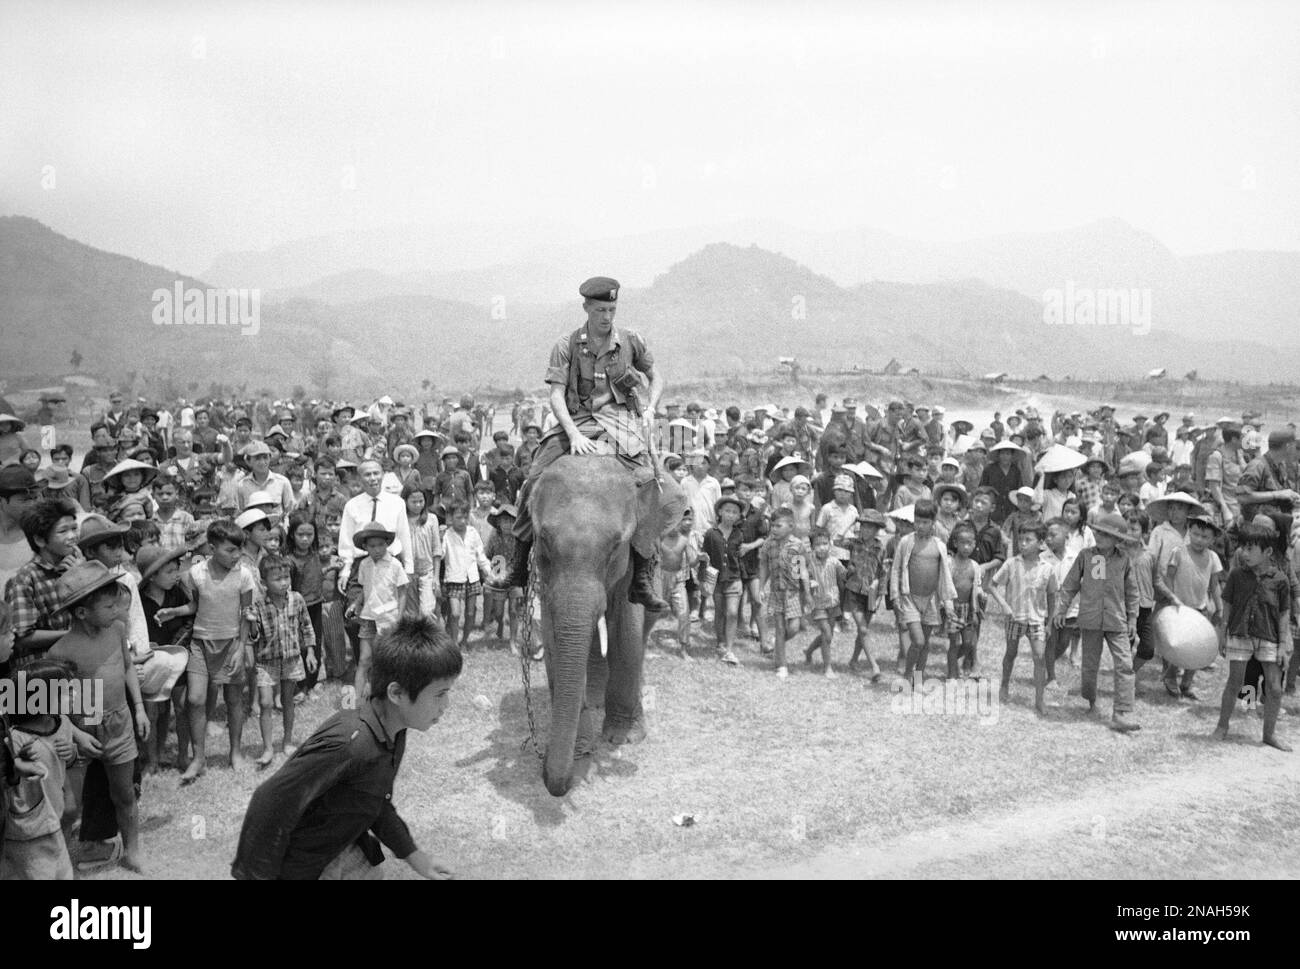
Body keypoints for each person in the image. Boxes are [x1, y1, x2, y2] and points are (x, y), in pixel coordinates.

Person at [490, 277, 682, 613]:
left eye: (611, 309)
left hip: (621, 427)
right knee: (533, 480)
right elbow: (555, 394)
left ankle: (641, 573)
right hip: (576, 424)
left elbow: (658, 376)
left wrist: (651, 408)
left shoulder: (631, 341)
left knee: (654, 484)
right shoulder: (566, 345)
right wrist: (574, 436)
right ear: (586, 309)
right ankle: (518, 567)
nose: (607, 316)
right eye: (600, 310)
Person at [232, 615, 458, 880]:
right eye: (440, 694)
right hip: (301, 865)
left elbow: (372, 802)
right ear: (396, 694)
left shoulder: (394, 731)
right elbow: (270, 800)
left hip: (342, 851)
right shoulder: (352, 742)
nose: (446, 705)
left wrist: (414, 856)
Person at [47, 561, 149, 873]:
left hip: (119, 721)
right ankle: (62, 864)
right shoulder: (61, 651)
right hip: (81, 725)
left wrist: (140, 708)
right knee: (70, 806)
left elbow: (128, 666)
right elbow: (53, 704)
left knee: (125, 795)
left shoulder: (117, 630)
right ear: (81, 613)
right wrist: (77, 735)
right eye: (109, 605)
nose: (119, 610)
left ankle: (132, 851)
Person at [178, 518, 258, 782]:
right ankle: (198, 758)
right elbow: (193, 607)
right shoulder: (196, 573)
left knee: (234, 700)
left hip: (231, 643)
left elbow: (247, 613)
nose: (236, 556)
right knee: (195, 699)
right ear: (212, 548)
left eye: (239, 550)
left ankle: (235, 752)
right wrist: (171, 612)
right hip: (200, 643)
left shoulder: (243, 575)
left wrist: (240, 648)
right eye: (230, 550)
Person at [1053, 511, 1141, 732]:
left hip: (1117, 621)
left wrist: (1132, 619)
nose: (1100, 537)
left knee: (1125, 665)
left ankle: (1120, 712)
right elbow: (1070, 585)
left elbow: (1132, 592)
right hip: (1091, 619)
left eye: (1107, 535)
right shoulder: (1088, 557)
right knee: (1090, 666)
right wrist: (1061, 609)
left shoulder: (1124, 561)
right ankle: (1091, 700)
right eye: (1098, 532)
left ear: (1117, 540)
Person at [1214, 523, 1291, 751]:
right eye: (1243, 547)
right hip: (1240, 633)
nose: (1244, 553)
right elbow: (1227, 603)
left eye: (1250, 548)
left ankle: (1269, 734)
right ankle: (1222, 726)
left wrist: (1283, 645)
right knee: (1234, 682)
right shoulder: (1237, 575)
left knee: (1275, 688)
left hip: (1269, 636)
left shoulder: (1281, 580)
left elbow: (1284, 612)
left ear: (1268, 552)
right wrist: (1223, 632)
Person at [250, 555, 316, 764]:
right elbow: (254, 636)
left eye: (286, 577)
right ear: (264, 583)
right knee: (266, 702)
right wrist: (251, 623)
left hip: (291, 659)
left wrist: (311, 652)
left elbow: (306, 625)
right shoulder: (259, 605)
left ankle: (287, 742)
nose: (284, 582)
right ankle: (268, 748)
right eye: (277, 579)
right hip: (266, 662)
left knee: (288, 701)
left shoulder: (297, 599)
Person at [5, 497, 80, 671]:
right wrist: (72, 634)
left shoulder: (77, 565)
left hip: (77, 662)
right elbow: (23, 637)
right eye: (63, 531)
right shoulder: (24, 579)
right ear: (40, 540)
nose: (72, 536)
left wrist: (82, 574)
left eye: (74, 528)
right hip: (42, 673)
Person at [988, 522, 1051, 715]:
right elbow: (991, 585)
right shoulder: (1011, 564)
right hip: (1015, 617)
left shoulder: (1047, 568)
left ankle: (1040, 699)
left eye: (1028, 540)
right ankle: (1004, 685)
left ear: (1041, 543)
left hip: (1037, 619)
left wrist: (1049, 622)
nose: (1023, 544)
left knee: (1040, 657)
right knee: (1011, 653)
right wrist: (1004, 606)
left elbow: (1053, 595)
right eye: (1020, 540)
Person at [890, 499, 955, 683]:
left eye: (925, 522)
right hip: (910, 597)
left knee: (925, 644)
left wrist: (948, 603)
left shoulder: (939, 545)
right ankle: (907, 673)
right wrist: (895, 594)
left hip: (931, 600)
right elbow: (896, 569)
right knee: (917, 641)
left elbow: (945, 576)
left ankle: (918, 678)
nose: (920, 525)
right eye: (917, 521)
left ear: (933, 522)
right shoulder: (906, 542)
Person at [345, 522, 409, 703]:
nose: (377, 549)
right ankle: (356, 701)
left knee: (385, 660)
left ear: (387, 544)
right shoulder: (364, 565)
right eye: (372, 546)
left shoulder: (395, 564)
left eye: (381, 545)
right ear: (365, 547)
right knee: (365, 659)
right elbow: (366, 589)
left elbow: (403, 591)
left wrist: (400, 618)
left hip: (388, 618)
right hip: (368, 616)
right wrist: (356, 605)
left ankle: (384, 697)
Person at [759, 507, 812, 680]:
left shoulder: (797, 545)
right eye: (772, 525)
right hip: (776, 592)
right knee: (780, 628)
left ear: (791, 526)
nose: (774, 529)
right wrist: (761, 587)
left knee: (794, 628)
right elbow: (765, 566)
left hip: (793, 593)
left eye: (778, 525)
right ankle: (781, 664)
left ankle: (776, 644)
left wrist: (808, 593)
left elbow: (802, 570)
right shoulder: (768, 544)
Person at [439, 503, 492, 648]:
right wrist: (438, 538)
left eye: (465, 517)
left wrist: (489, 572)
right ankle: (454, 642)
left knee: (470, 613)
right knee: (455, 613)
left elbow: (480, 555)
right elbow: (441, 554)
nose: (462, 521)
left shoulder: (473, 532)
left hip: (472, 577)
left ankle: (464, 640)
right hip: (454, 578)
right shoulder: (447, 535)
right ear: (450, 518)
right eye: (458, 517)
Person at [702, 496, 746, 664]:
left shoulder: (739, 534)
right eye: (727, 511)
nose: (730, 515)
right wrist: (704, 579)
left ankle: (729, 648)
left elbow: (740, 556)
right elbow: (705, 558)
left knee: (732, 613)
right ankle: (720, 642)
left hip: (734, 578)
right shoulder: (711, 534)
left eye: (735, 512)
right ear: (720, 512)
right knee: (720, 612)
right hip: (717, 579)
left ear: (738, 516)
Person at [843, 509, 886, 678]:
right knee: (863, 628)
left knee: (864, 630)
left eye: (870, 527)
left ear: (877, 530)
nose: (866, 530)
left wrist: (880, 595)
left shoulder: (880, 548)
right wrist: (851, 522)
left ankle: (854, 660)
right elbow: (837, 539)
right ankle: (874, 666)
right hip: (853, 590)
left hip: (871, 593)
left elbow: (884, 573)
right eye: (863, 526)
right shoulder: (854, 543)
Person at [802, 528, 845, 677]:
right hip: (817, 603)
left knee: (828, 635)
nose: (822, 547)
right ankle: (828, 667)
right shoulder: (808, 562)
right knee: (827, 633)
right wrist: (809, 582)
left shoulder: (835, 561)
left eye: (825, 543)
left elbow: (844, 575)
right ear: (812, 546)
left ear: (830, 544)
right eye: (818, 544)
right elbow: (801, 577)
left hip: (833, 603)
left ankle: (808, 651)